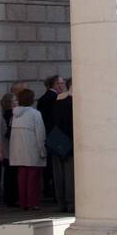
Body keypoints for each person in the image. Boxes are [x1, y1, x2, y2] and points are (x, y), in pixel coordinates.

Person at [9, 88, 47, 211]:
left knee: (22, 177)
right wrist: (42, 150)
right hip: (32, 148)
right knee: (33, 178)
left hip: (18, 150)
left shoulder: (14, 114)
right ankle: (33, 202)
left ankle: (24, 202)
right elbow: (40, 134)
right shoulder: (35, 114)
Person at [37, 75, 64, 202]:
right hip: (56, 134)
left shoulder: (42, 98)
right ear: (54, 84)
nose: (62, 85)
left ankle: (49, 190)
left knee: (50, 166)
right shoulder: (55, 98)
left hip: (47, 133)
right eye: (60, 83)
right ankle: (57, 194)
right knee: (57, 166)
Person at [50, 76, 75, 214]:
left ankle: (62, 203)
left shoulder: (59, 100)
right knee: (69, 174)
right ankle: (70, 203)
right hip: (70, 141)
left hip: (57, 139)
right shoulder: (72, 102)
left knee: (60, 174)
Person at [0, 92, 18, 207]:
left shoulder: (4, 114)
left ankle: (9, 197)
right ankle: (11, 197)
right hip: (10, 147)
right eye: (15, 100)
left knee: (9, 174)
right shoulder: (10, 115)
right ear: (10, 103)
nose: (17, 102)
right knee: (11, 174)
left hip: (6, 148)